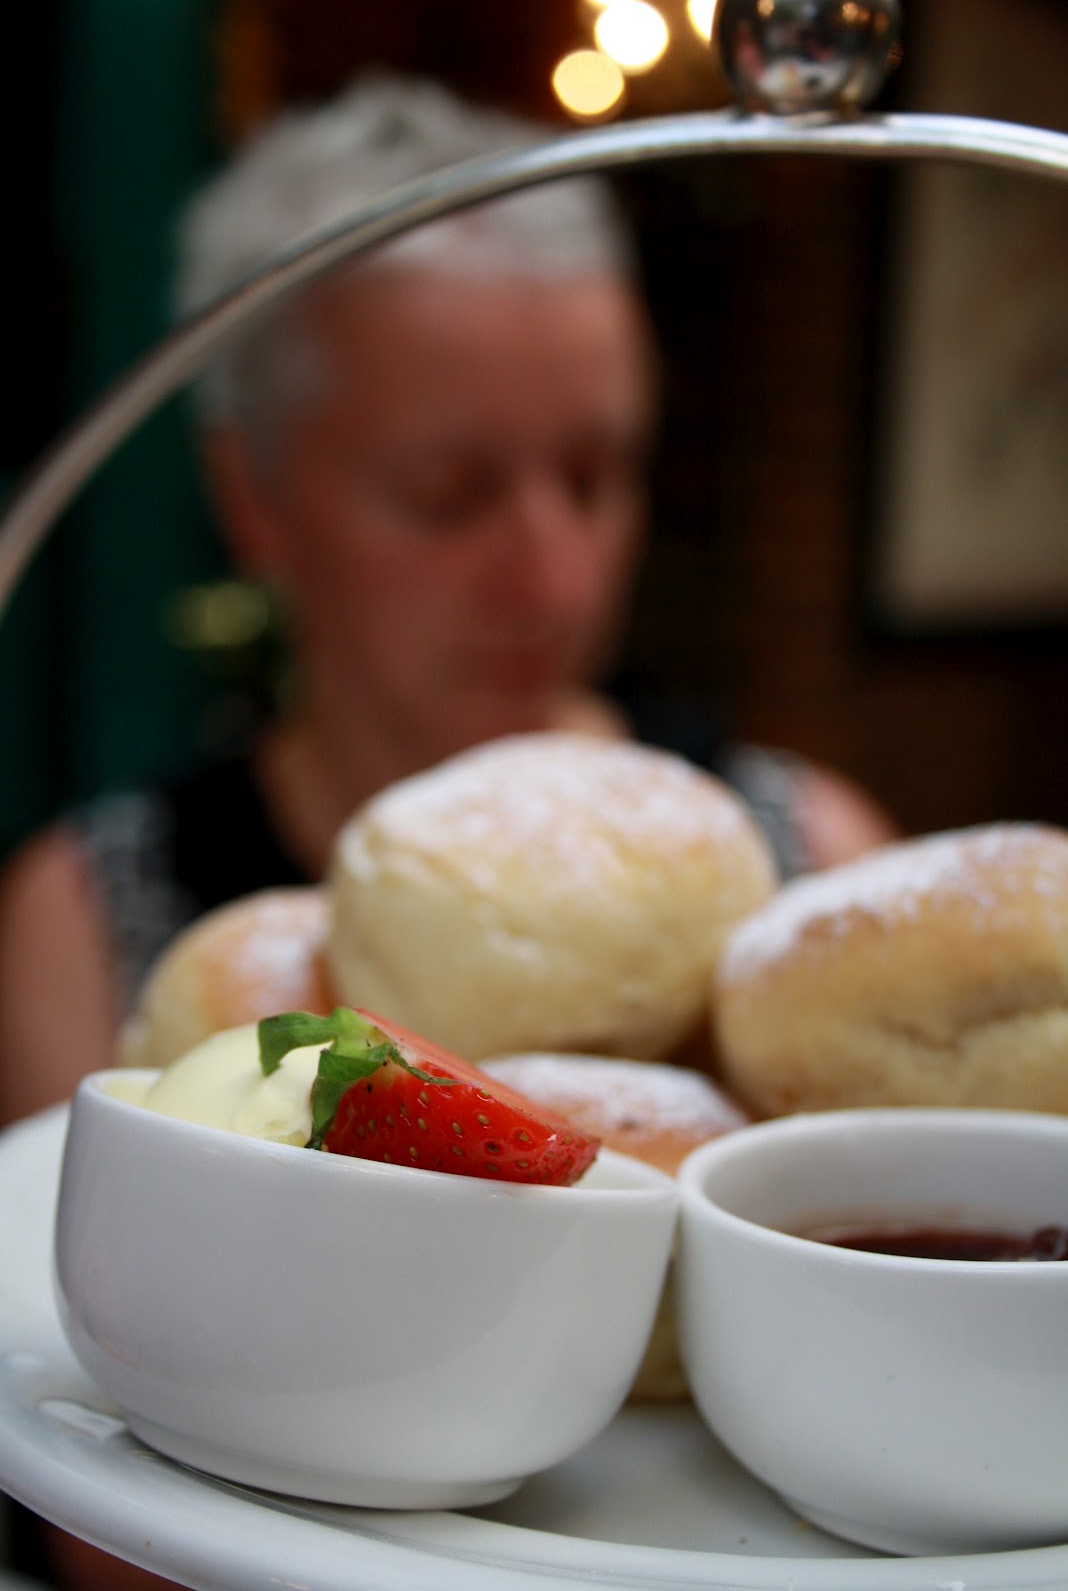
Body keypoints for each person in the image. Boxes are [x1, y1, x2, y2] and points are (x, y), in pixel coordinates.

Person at [0, 73, 895, 1134]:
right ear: (257, 499)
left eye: (595, 476)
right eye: (449, 495)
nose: (557, 579)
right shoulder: (94, 925)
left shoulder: (817, 870)